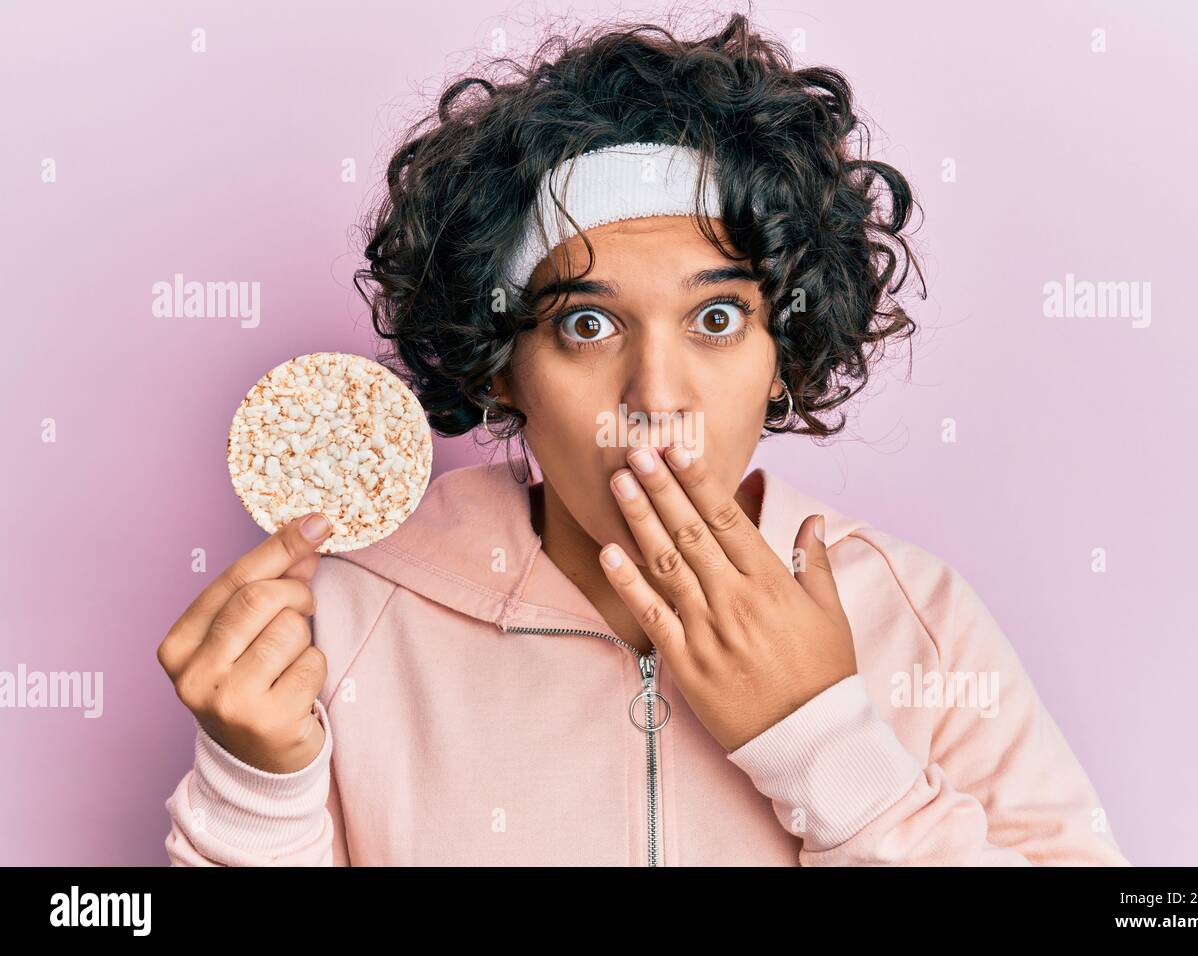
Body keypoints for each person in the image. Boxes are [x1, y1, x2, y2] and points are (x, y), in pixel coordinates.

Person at [158, 13, 1128, 866]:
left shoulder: (915, 613)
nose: (655, 396)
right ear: (500, 362)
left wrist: (826, 745)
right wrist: (257, 795)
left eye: (715, 321)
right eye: (588, 324)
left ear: (783, 350)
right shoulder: (348, 622)